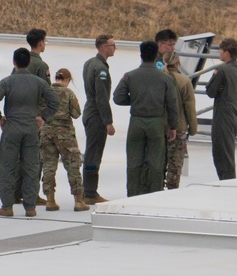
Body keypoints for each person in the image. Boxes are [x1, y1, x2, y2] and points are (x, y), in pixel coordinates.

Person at [0, 47, 59, 217]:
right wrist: (43, 118)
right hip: (31, 128)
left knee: (7, 166)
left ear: (14, 62)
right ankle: (30, 207)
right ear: (29, 62)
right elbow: (55, 102)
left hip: (11, 127)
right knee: (31, 167)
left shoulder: (6, 81)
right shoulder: (39, 82)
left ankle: (7, 206)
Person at [113, 41, 179, 197]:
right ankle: (154, 195)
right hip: (156, 122)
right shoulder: (165, 79)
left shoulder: (130, 75)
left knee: (134, 162)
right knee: (156, 162)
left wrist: (135, 100)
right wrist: (173, 126)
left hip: (136, 121)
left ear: (141, 55)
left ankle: (133, 194)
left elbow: (117, 98)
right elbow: (172, 105)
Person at [40, 68, 89, 212]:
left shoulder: (45, 92)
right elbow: (76, 114)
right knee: (72, 165)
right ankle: (78, 201)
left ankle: (50, 200)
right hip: (65, 134)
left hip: (47, 131)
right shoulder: (68, 93)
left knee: (48, 166)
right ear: (67, 80)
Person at [13, 27, 51, 204]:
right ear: (41, 42)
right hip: (34, 118)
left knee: (18, 156)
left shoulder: (20, 62)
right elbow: (46, 94)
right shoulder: (41, 66)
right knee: (34, 157)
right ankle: (31, 193)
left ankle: (15, 191)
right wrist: (43, 117)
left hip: (17, 116)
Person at [82, 34, 116, 204]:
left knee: (91, 152)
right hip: (96, 114)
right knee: (94, 154)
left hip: (90, 111)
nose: (114, 48)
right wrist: (108, 121)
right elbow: (101, 98)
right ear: (103, 47)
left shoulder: (89, 63)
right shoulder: (101, 69)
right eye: (112, 45)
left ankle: (87, 190)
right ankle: (89, 192)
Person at [206, 38, 237, 181]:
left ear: (227, 53)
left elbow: (210, 92)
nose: (219, 53)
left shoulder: (222, 70)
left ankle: (227, 182)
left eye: (221, 51)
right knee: (228, 149)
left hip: (224, 113)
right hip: (236, 111)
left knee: (222, 152)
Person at [162, 49, 198, 189]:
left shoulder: (159, 77)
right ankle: (172, 188)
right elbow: (190, 107)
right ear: (178, 62)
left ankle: (158, 188)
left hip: (160, 127)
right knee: (175, 163)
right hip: (179, 127)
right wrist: (193, 129)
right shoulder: (184, 81)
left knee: (161, 160)